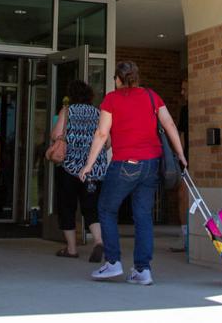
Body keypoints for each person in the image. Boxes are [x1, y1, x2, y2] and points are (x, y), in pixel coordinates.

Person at [79, 61, 186, 286]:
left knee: (106, 209)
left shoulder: (112, 99)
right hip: (151, 165)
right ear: (136, 77)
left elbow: (101, 134)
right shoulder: (151, 96)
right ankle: (142, 270)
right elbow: (170, 125)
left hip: (125, 163)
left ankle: (113, 262)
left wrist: (89, 164)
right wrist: (181, 154)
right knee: (143, 216)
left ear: (118, 79)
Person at [51, 79, 108, 261]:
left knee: (67, 207)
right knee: (91, 208)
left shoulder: (67, 111)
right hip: (93, 169)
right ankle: (98, 241)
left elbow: (55, 135)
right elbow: (107, 142)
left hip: (69, 168)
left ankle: (72, 249)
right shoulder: (99, 113)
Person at [168, 77, 189, 252]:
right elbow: (181, 137)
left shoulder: (196, 109)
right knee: (182, 196)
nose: (182, 92)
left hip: (195, 159)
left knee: (185, 196)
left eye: (185, 89)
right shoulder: (184, 111)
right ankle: (185, 235)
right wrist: (179, 157)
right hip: (185, 160)